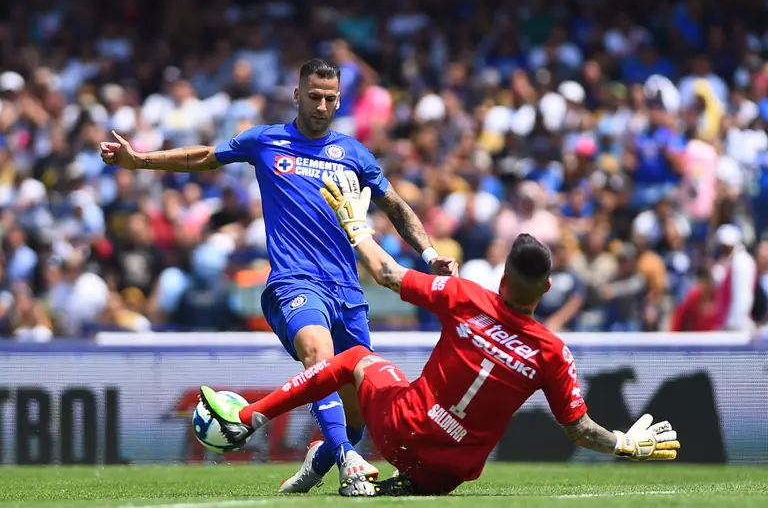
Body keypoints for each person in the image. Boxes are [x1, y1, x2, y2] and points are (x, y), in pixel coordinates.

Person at [199, 173, 681, 497]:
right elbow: (578, 428)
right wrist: (623, 443)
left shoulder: (466, 296)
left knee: (355, 358)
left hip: (400, 432)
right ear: (547, 289)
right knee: (436, 448)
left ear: (503, 279)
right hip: (447, 473)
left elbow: (387, 274)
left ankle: (248, 418)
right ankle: (373, 475)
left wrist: (356, 228)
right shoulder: (553, 353)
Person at [100, 58, 458, 492]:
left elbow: (396, 206)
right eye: (314, 97)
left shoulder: (353, 153)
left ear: (339, 100)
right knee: (318, 355)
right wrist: (140, 160)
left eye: (330, 98)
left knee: (358, 414)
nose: (322, 106)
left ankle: (322, 459)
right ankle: (348, 463)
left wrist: (429, 254)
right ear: (297, 95)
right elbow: (205, 157)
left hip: (347, 290)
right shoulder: (266, 140)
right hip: (294, 281)